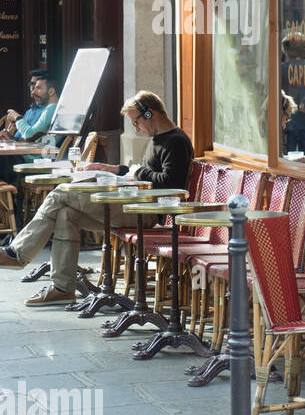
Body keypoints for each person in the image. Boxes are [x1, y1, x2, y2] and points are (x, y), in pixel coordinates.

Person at [0, 91, 193, 306]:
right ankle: (63, 288)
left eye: (135, 122)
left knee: (60, 194)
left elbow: (170, 183)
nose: (136, 128)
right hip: (136, 205)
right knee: (66, 214)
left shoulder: (175, 142)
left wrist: (138, 173)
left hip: (147, 213)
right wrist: (110, 168)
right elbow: (145, 172)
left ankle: (16, 254)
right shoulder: (158, 139)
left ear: (149, 114)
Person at [1, 71, 59, 144]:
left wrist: (17, 118)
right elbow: (34, 140)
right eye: (32, 85)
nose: (33, 92)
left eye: (38, 88)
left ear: (51, 91)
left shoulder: (52, 108)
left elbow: (29, 135)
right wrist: (11, 139)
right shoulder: (52, 109)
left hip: (38, 154)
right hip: (34, 152)